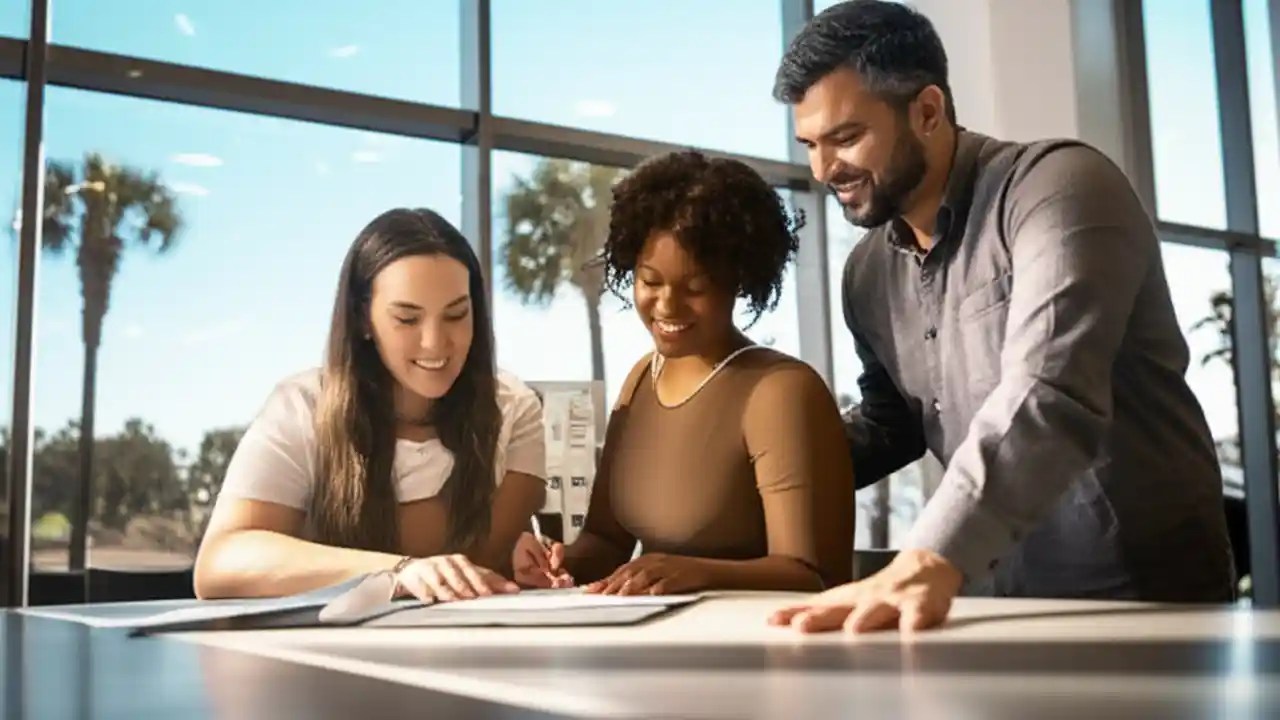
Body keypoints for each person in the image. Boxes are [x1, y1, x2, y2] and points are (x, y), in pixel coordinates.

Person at [767, 0, 1235, 634]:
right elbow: (892, 424)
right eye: (811, 145)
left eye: (846, 138)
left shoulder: (1061, 187)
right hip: (986, 601)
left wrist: (928, 554)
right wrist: (754, 484)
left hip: (1137, 596)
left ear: (928, 111)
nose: (824, 170)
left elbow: (1050, 390)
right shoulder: (868, 272)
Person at [511, 150, 855, 595]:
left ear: (739, 280)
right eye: (650, 282)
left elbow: (815, 576)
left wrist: (702, 573)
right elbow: (607, 542)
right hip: (653, 644)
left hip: (761, 651)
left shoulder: (781, 391)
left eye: (696, 288)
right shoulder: (641, 378)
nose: (667, 306)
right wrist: (556, 563)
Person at [194, 208, 548, 602]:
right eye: (407, 319)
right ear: (364, 318)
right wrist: (395, 572)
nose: (435, 342)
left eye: (456, 315)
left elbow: (478, 566)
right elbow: (218, 564)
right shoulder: (302, 407)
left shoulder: (516, 410)